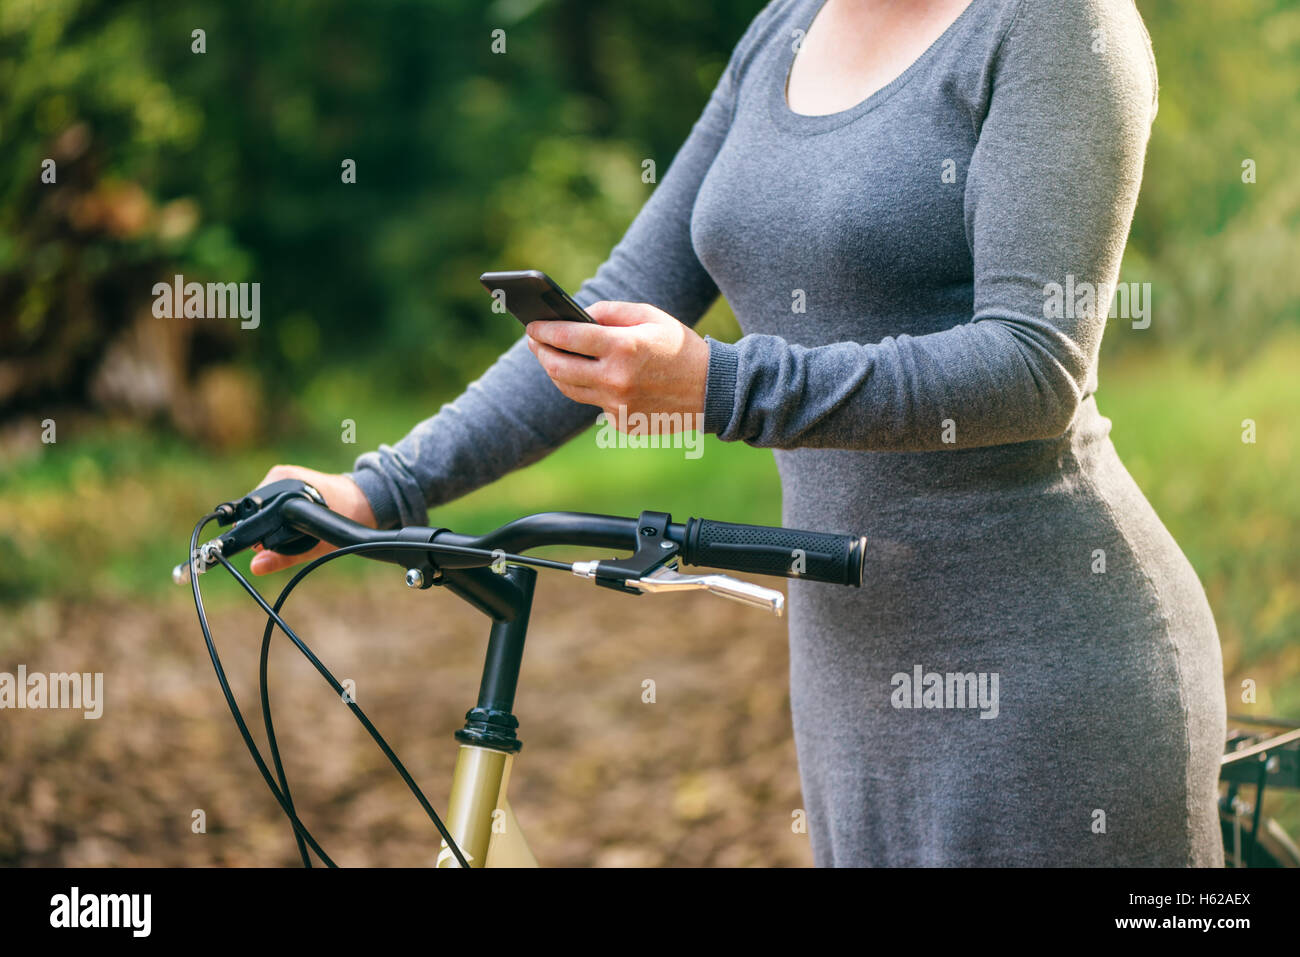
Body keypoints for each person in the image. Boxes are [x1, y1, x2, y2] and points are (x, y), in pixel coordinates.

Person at [250, 0, 1227, 866]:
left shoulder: (1055, 26)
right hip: (851, 668)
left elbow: (1031, 366)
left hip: (1043, 671)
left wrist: (718, 384)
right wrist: (383, 488)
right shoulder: (783, 31)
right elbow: (600, 319)